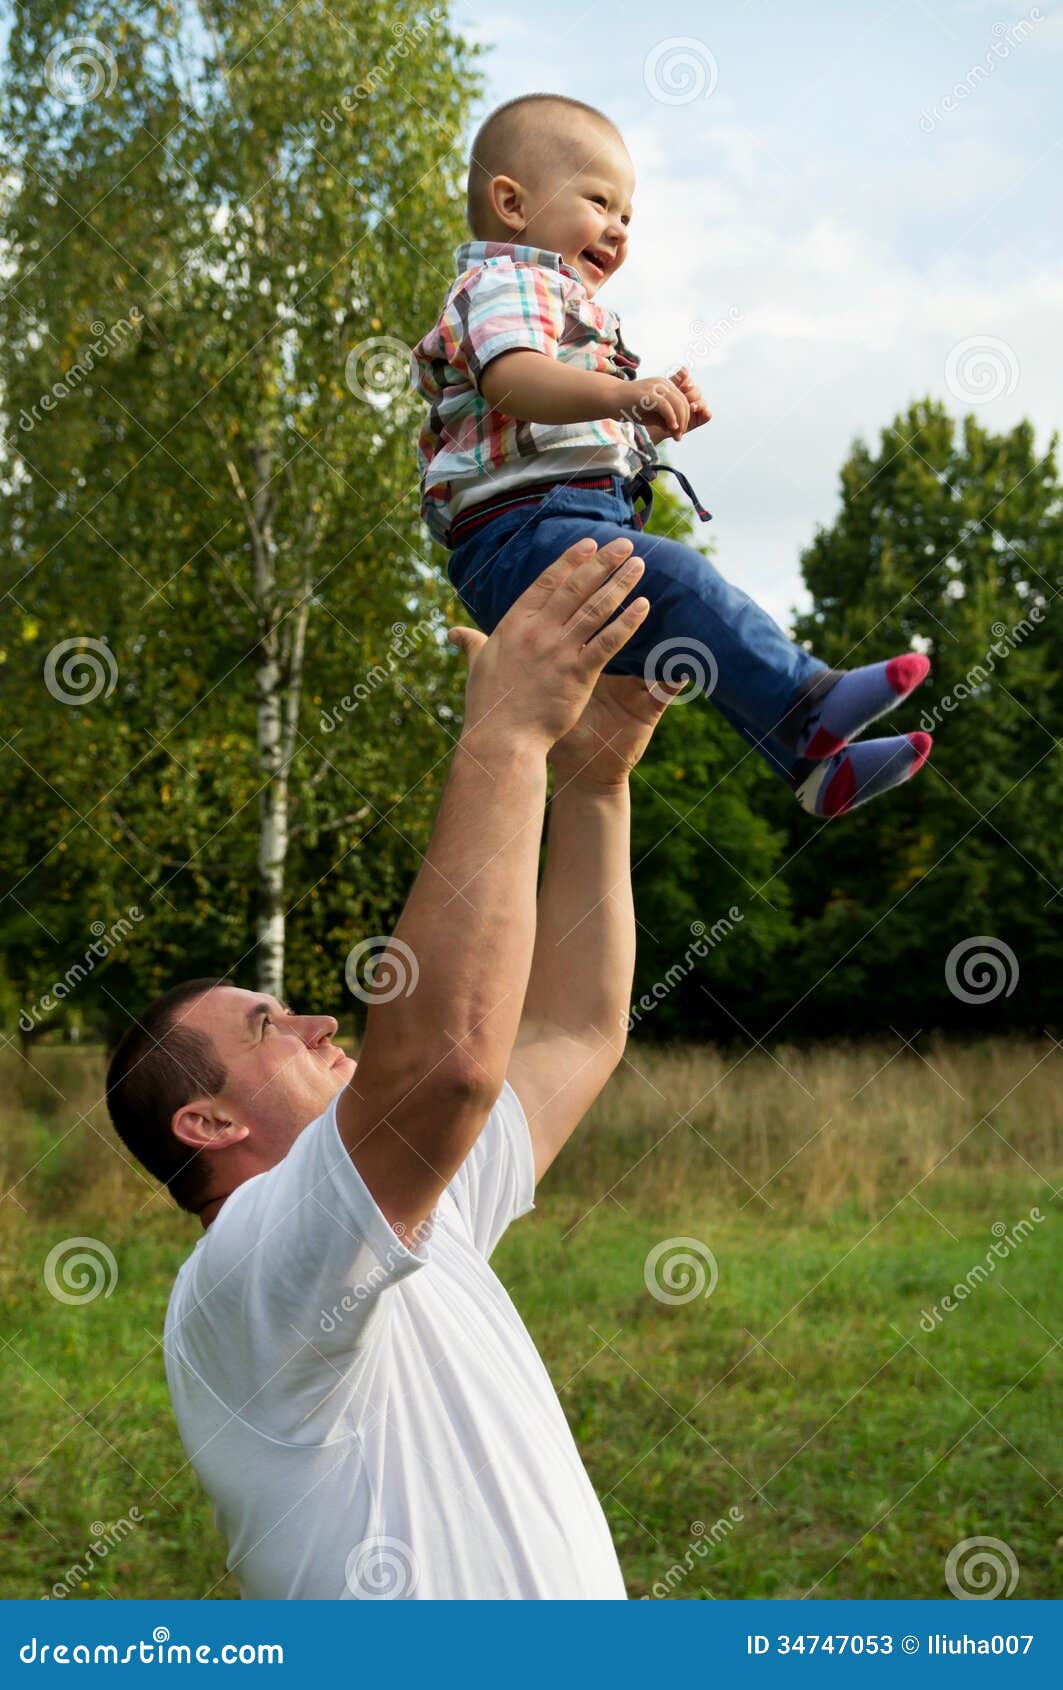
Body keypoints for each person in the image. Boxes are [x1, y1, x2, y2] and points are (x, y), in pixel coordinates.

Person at [106, 537, 680, 1600]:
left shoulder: (416, 1207)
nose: (323, 1020)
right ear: (208, 1122)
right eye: (271, 1025)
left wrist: (595, 785)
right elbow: (450, 1060)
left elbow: (578, 1031)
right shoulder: (245, 1271)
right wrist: (505, 735)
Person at [413, 92, 934, 819]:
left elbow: (561, 434)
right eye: (600, 202)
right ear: (511, 203)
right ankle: (807, 698)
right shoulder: (507, 282)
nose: (618, 230)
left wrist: (650, 425)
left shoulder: (567, 303)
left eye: (627, 216)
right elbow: (515, 381)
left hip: (560, 517)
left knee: (689, 637)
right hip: (517, 536)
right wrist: (623, 394)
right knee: (683, 578)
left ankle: (812, 770)